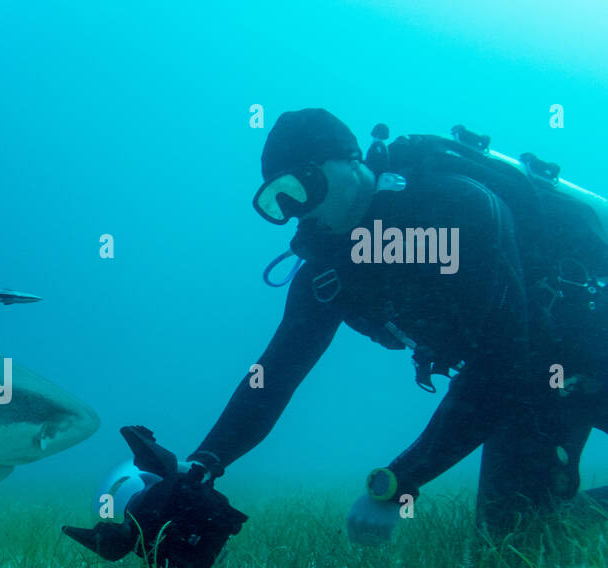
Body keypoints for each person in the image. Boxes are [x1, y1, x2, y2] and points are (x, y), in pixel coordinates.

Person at [179, 108, 608, 545]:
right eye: (280, 200)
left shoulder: (454, 208)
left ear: (350, 160)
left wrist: (397, 481)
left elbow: (501, 364)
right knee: (514, 544)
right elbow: (275, 374)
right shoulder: (330, 272)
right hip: (535, 388)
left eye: (303, 185)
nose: (298, 211)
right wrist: (202, 464)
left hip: (593, 341)